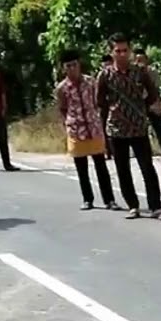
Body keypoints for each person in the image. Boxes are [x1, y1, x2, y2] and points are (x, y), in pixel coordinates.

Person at [96, 33, 161, 221]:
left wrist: (140, 107)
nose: (121, 54)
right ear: (111, 52)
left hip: (139, 126)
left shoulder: (140, 71)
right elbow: (100, 101)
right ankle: (133, 206)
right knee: (123, 169)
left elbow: (153, 94)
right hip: (117, 129)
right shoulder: (105, 75)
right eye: (117, 51)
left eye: (124, 50)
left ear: (129, 50)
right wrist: (110, 118)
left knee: (147, 167)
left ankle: (155, 206)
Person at [55, 50, 118, 211]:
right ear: (64, 68)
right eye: (68, 66)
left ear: (79, 65)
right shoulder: (62, 88)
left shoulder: (91, 82)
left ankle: (109, 200)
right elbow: (62, 108)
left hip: (93, 127)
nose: (72, 69)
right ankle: (87, 199)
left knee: (101, 166)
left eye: (74, 65)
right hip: (76, 130)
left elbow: (99, 102)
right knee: (81, 168)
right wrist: (68, 124)